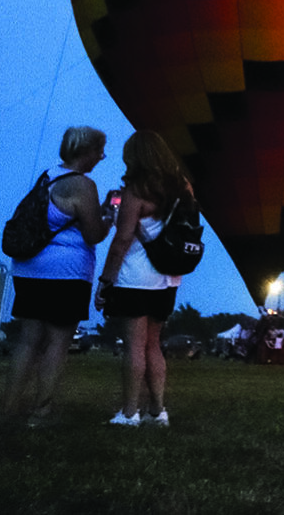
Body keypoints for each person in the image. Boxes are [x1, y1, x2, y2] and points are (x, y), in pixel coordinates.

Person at [0, 127, 110, 427]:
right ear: (84, 151)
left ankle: (8, 411)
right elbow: (92, 233)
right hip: (66, 275)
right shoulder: (83, 185)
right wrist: (109, 218)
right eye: (99, 150)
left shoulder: (48, 176)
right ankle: (41, 412)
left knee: (28, 342)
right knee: (57, 343)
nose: (102, 156)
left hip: (28, 269)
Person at [96, 131, 192, 426]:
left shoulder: (137, 191)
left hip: (136, 277)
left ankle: (129, 413)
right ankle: (158, 411)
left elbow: (122, 240)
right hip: (168, 279)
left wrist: (105, 282)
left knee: (134, 347)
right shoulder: (183, 188)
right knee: (154, 344)